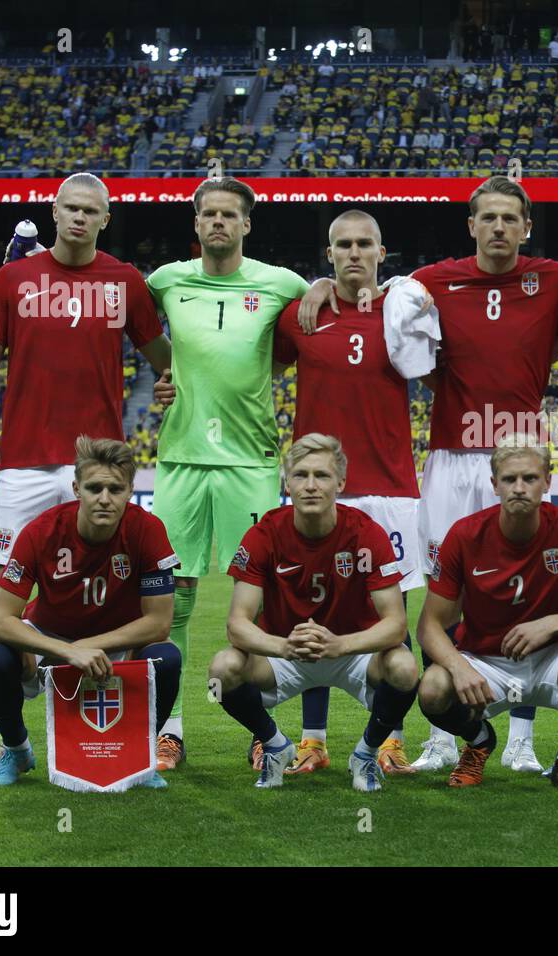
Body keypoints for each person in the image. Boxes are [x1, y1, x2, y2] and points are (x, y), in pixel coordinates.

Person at [330, 175, 558, 772]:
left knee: (536, 590)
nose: (499, 228)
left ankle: (526, 739)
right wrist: (325, 282)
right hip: (453, 458)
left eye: (511, 218)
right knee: (447, 590)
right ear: (471, 225)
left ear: (526, 227)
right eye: (489, 218)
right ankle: (445, 739)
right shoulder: (430, 281)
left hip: (520, 453)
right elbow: (373, 296)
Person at [0, 172, 171, 772]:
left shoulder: (125, 281)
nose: (79, 217)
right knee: (3, 596)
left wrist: (170, 383)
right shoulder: (14, 278)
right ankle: (6, 730)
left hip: (97, 463)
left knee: (110, 584)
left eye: (91, 211)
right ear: (54, 211)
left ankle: (98, 721)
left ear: (106, 219)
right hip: (23, 460)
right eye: (70, 208)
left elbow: (163, 354)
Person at [147, 176, 335, 772]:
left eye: (231, 215)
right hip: (179, 460)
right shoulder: (168, 279)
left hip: (251, 462)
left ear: (246, 224)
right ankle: (168, 731)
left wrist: (327, 280)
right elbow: (119, 308)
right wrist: (159, 371)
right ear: (196, 223)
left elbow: (329, 298)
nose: (220, 223)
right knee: (171, 598)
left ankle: (266, 730)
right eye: (210, 215)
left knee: (262, 601)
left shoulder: (280, 283)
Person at [271, 210, 424, 776]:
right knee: (309, 605)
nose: (354, 252)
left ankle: (387, 739)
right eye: (343, 245)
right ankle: (313, 739)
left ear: (382, 254)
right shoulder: (300, 316)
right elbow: (252, 362)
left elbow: (427, 294)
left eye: (365, 244)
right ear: (328, 254)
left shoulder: (402, 309)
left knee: (393, 613)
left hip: (390, 489)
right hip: (317, 487)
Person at [416, 434, 558, 794]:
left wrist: (556, 622)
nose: (519, 488)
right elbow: (429, 626)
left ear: (547, 482)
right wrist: (458, 667)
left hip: (555, 661)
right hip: (486, 666)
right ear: (494, 484)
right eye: (509, 479)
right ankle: (479, 742)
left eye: (530, 479)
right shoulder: (464, 535)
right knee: (432, 688)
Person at [208, 434, 420, 791]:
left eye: (321, 476)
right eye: (300, 475)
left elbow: (396, 625)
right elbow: (237, 625)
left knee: (404, 667)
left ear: (340, 482)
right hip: (286, 654)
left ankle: (366, 753)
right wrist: (283, 647)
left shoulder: (366, 533)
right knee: (221, 671)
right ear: (286, 482)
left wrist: (341, 645)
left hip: (351, 653)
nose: (310, 486)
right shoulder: (264, 534)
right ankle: (274, 744)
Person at [0, 437, 181, 788]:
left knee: (167, 657)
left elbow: (159, 622)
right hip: (50, 644)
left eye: (115, 489)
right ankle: (17, 749)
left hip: (114, 644)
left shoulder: (148, 530)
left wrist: (88, 644)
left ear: (131, 490)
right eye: (94, 488)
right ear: (76, 488)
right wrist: (68, 651)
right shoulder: (41, 531)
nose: (105, 498)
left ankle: (140, 757)